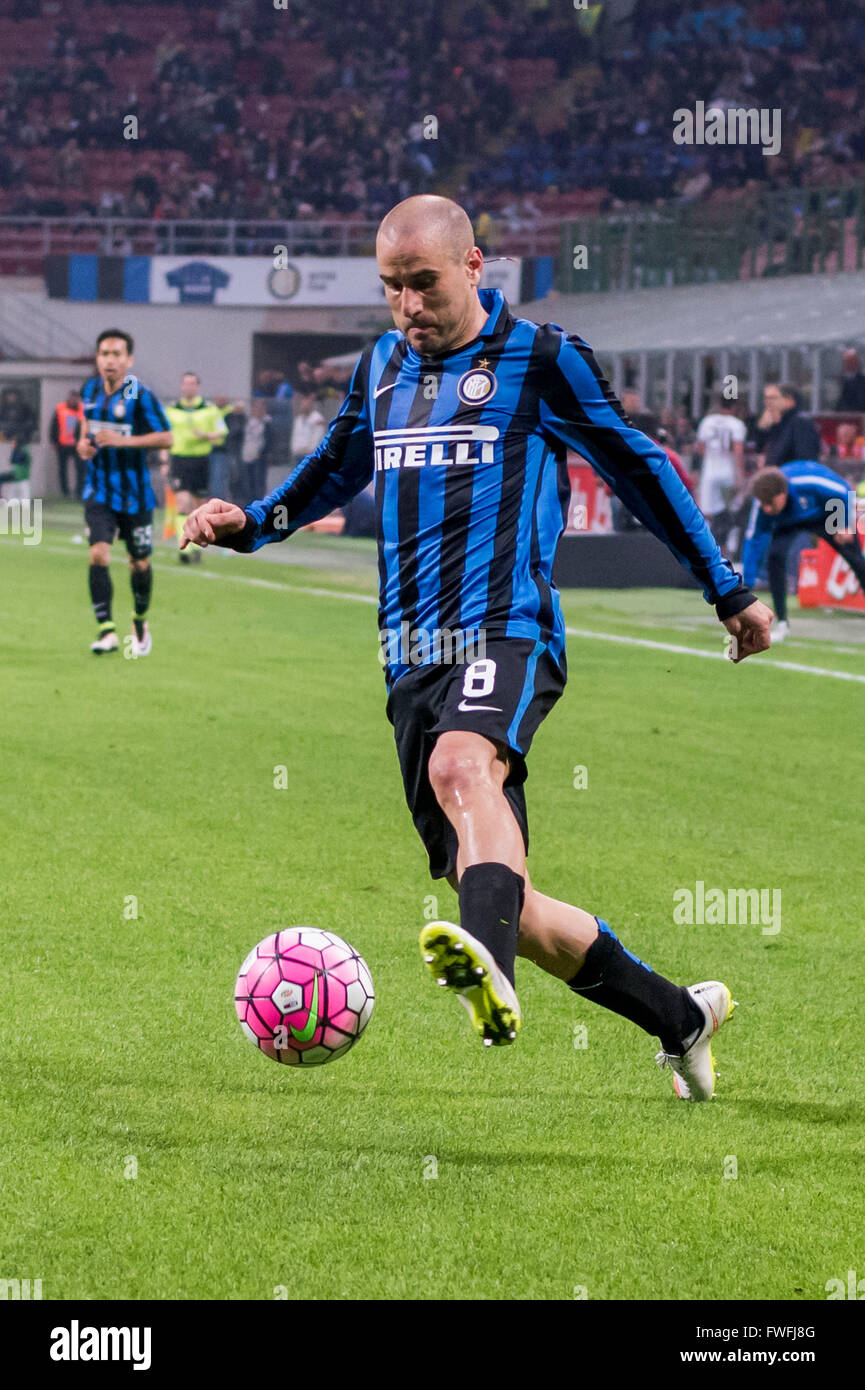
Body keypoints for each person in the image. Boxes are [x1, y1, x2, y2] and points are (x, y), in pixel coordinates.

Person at [183, 195, 773, 1102]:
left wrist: (726, 586)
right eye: (391, 290)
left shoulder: (541, 359)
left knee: (466, 770)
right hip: (408, 651)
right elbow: (339, 464)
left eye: (423, 285)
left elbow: (639, 468)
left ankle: (486, 971)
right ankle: (679, 1018)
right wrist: (252, 522)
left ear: (473, 267)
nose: (408, 308)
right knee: (507, 895)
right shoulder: (381, 363)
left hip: (507, 626)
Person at [77, 329, 172, 655]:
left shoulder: (140, 395)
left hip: (136, 496)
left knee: (139, 564)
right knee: (98, 553)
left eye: (117, 354)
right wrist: (83, 445)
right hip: (99, 490)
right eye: (104, 353)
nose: (110, 360)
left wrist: (124, 441)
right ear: (97, 358)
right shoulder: (89, 390)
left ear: (128, 359)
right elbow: (86, 429)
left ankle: (140, 620)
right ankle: (106, 630)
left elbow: (167, 438)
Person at [743, 462, 865, 641]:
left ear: (782, 494)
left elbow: (843, 489)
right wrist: (747, 583)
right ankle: (782, 623)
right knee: (775, 557)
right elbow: (753, 540)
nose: (766, 508)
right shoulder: (763, 503)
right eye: (763, 504)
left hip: (824, 512)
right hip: (788, 520)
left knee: (855, 560)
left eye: (770, 503)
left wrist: (842, 524)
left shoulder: (807, 482)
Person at [160, 372, 227, 564]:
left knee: (199, 506)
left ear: (198, 387)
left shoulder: (210, 409)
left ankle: (197, 546)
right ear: (182, 386)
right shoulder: (172, 410)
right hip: (179, 460)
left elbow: (222, 435)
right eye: (186, 383)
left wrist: (204, 435)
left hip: (201, 461)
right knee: (182, 503)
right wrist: (164, 461)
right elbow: (165, 436)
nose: (189, 387)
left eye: (192, 384)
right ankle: (185, 548)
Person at [694, 395, 746, 543]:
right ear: (735, 407)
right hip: (728, 471)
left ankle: (708, 543)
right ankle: (729, 544)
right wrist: (740, 474)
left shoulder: (707, 422)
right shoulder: (737, 424)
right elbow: (738, 450)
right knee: (730, 510)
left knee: (708, 512)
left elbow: (700, 448)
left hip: (710, 470)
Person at [754, 383, 821, 470]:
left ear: (789, 401)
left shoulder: (801, 422)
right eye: (766, 398)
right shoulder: (777, 425)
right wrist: (763, 430)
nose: (767, 402)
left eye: (773, 398)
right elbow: (761, 453)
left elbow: (806, 459)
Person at [50, 389, 85, 499]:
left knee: (80, 469)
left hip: (78, 445)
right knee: (62, 469)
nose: (74, 400)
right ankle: (64, 491)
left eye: (76, 398)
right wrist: (54, 441)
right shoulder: (60, 408)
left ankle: (79, 492)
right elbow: (54, 425)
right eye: (72, 398)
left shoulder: (82, 410)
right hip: (63, 444)